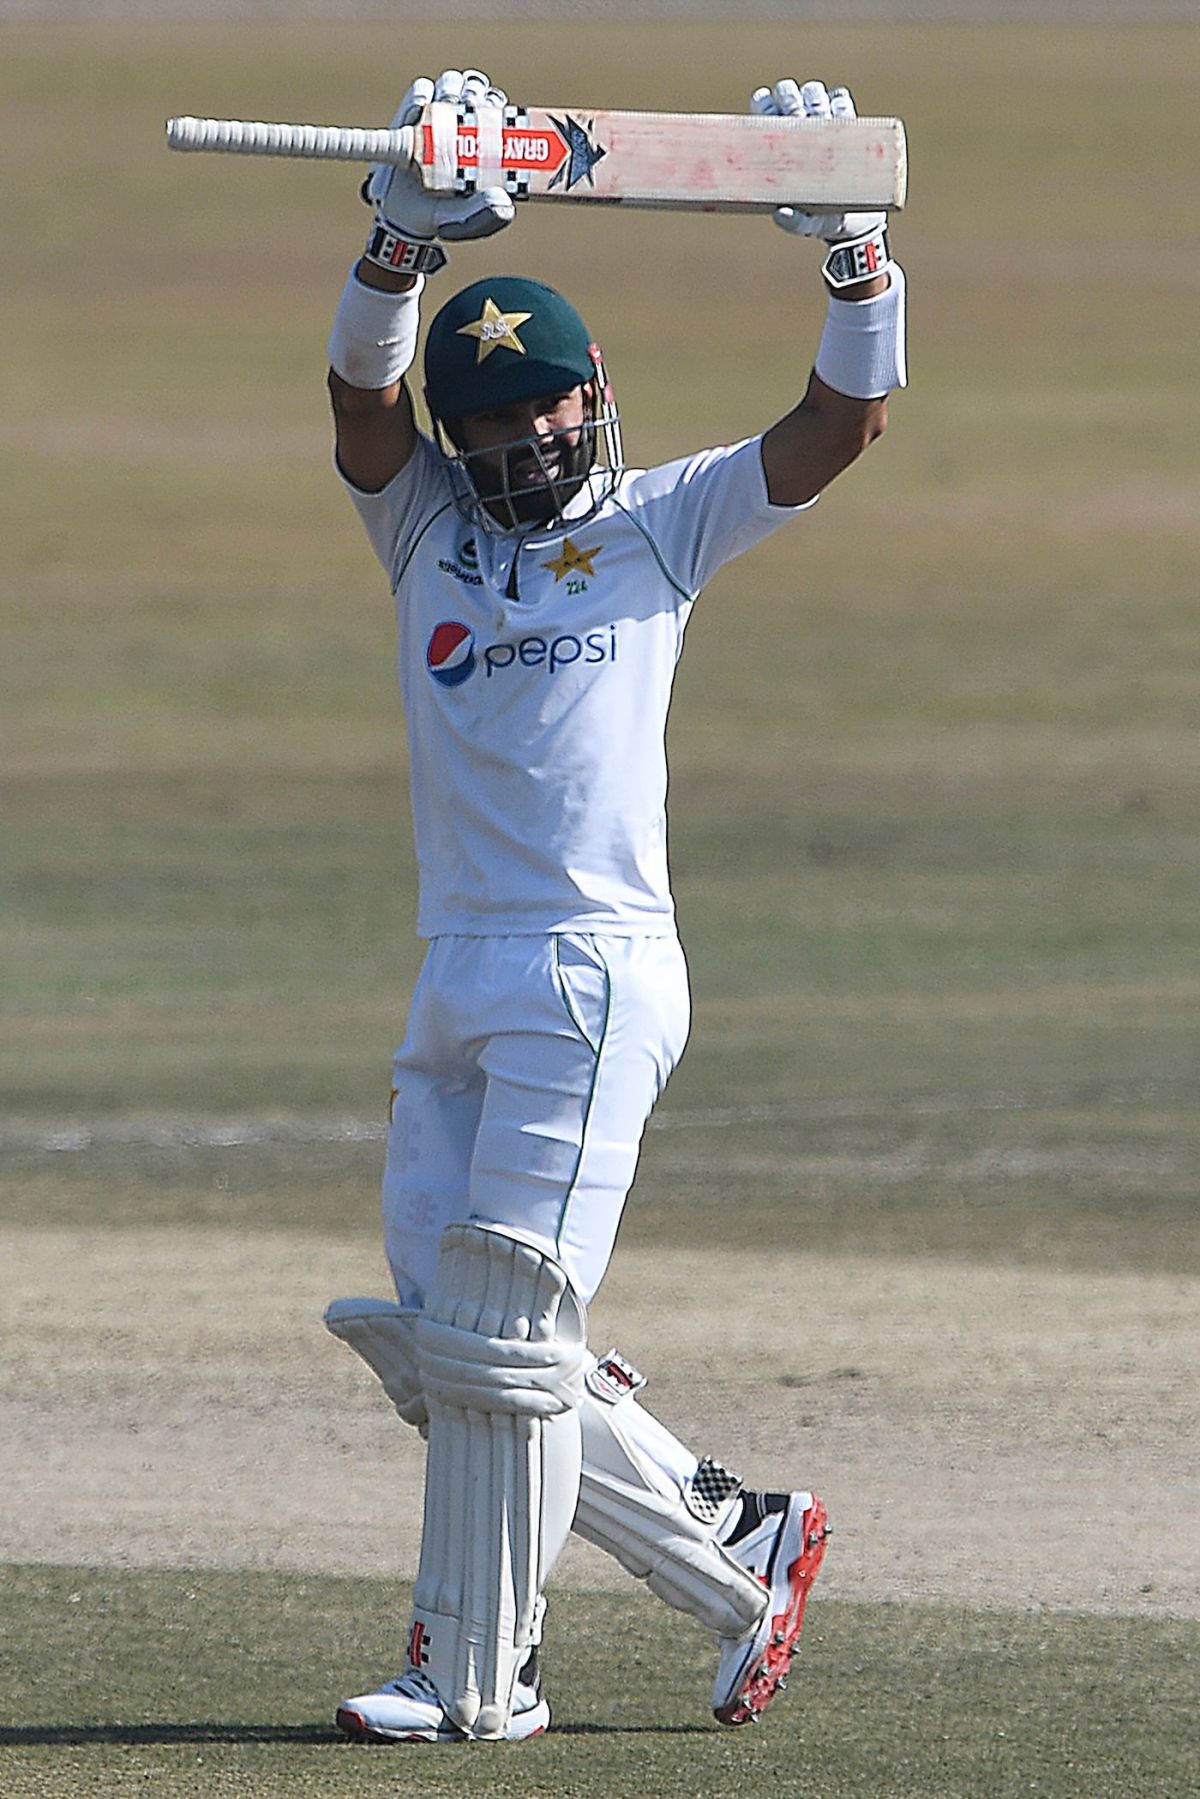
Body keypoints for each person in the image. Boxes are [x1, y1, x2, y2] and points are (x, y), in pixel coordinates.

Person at [321, 66, 906, 1744]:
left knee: (504, 1331)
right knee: (450, 1339)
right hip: (455, 968)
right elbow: (360, 405)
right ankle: (738, 1545)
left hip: (589, 976)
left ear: (596, 400)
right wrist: (393, 248)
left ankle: (474, 1677)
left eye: (546, 410)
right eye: (491, 424)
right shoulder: (423, 528)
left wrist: (854, 259)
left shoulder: (659, 525)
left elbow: (839, 426)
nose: (521, 441)